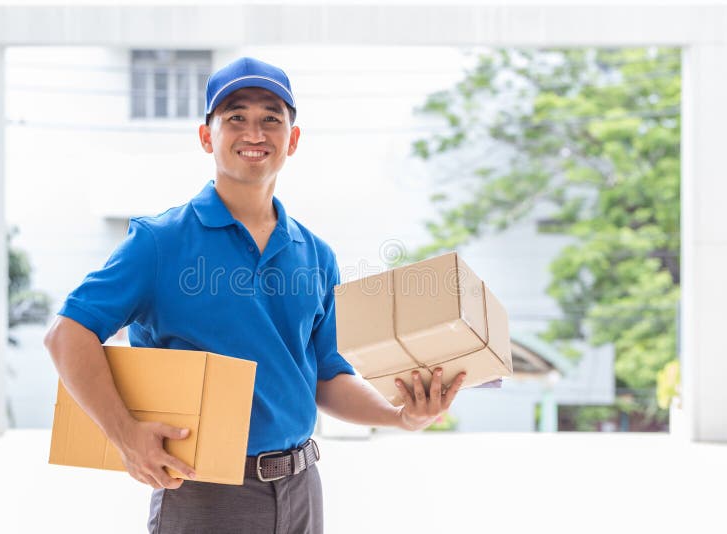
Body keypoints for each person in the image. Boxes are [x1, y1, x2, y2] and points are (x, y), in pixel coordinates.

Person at [44, 56, 466, 534]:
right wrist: (125, 435)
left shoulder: (315, 254)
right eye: (235, 117)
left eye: (271, 118)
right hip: (203, 491)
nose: (254, 132)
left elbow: (326, 377)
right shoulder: (160, 242)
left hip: (303, 487)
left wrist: (399, 416)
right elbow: (66, 335)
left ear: (294, 138)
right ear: (207, 137)